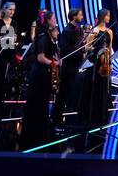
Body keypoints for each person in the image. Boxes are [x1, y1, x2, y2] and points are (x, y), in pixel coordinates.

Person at [21, 15, 59, 146]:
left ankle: (40, 127)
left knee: (43, 100)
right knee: (38, 100)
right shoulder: (43, 37)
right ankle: (34, 130)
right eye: (53, 19)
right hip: (39, 73)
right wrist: (53, 63)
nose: (55, 21)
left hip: (45, 72)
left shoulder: (49, 36)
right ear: (48, 21)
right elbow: (41, 58)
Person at [54, 8, 87, 126]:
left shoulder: (79, 29)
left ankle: (69, 118)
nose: (82, 17)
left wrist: (84, 48)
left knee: (72, 93)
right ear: (74, 16)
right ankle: (56, 119)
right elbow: (64, 50)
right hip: (68, 67)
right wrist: (79, 51)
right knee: (63, 92)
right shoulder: (67, 31)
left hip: (77, 65)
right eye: (80, 15)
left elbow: (81, 45)